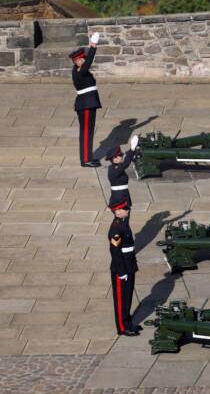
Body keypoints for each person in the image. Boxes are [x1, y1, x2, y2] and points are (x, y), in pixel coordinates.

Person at [108, 191, 140, 336]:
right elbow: (115, 252)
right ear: (118, 211)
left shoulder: (123, 223)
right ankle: (122, 327)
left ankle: (127, 322)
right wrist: (121, 273)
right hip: (122, 268)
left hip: (129, 264)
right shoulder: (116, 228)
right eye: (125, 209)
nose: (128, 210)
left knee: (128, 296)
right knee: (121, 299)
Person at [71, 32, 102, 167]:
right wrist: (93, 46)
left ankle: (88, 157)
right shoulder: (80, 71)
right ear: (76, 61)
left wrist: (90, 45)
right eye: (80, 59)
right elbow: (89, 61)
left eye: (83, 58)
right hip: (86, 105)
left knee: (88, 132)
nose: (83, 60)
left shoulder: (79, 70)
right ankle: (85, 160)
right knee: (86, 133)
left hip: (87, 104)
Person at [106, 135, 139, 221]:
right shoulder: (116, 170)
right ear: (115, 159)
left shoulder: (113, 167)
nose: (121, 156)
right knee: (123, 220)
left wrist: (132, 148)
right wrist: (132, 148)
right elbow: (126, 163)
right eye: (120, 155)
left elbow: (125, 159)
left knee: (122, 220)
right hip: (120, 198)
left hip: (120, 195)